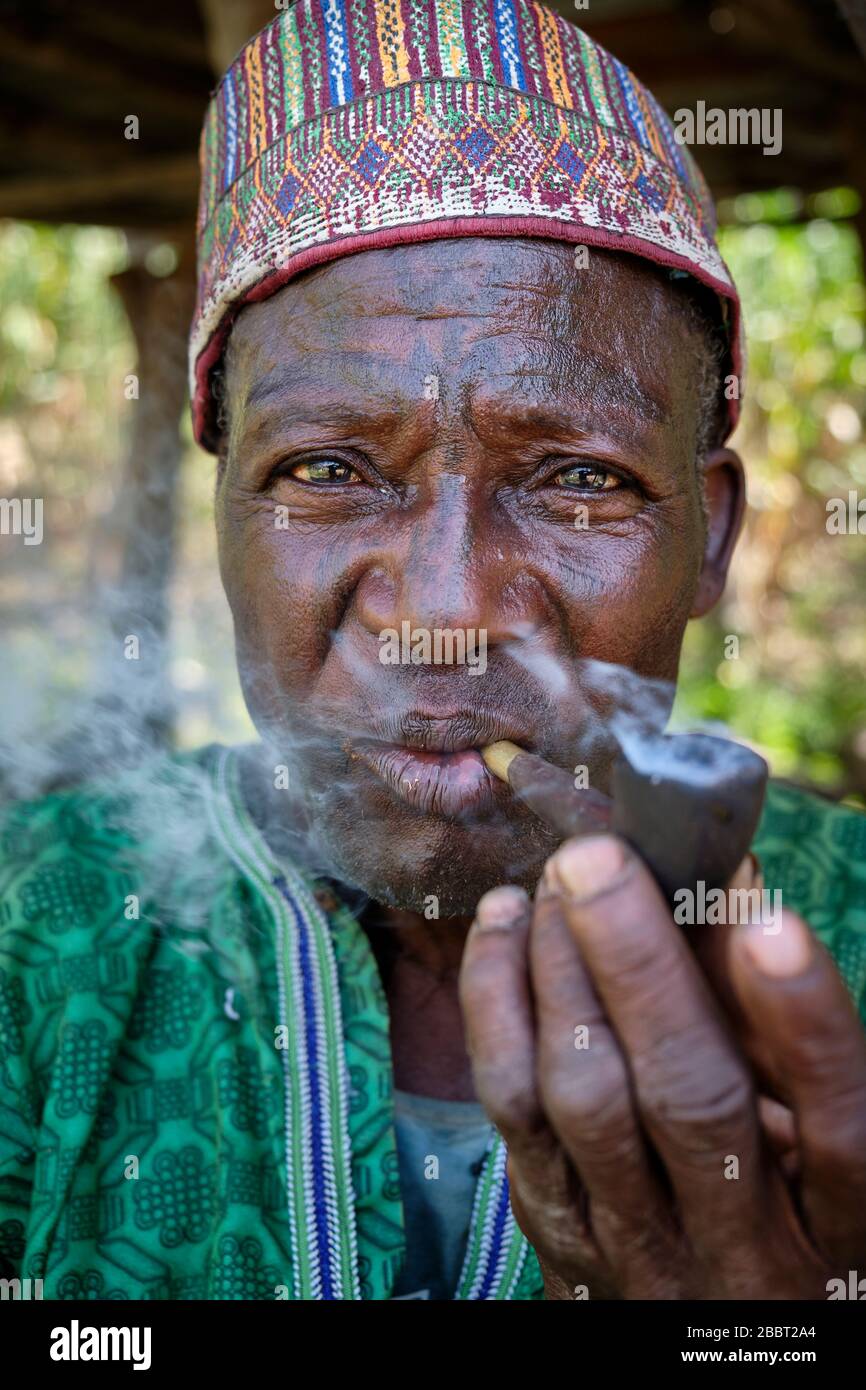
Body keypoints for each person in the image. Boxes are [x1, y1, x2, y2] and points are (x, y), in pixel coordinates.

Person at [1, 0, 864, 1302]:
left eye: (576, 476)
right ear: (226, 512)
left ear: (707, 540)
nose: (444, 609)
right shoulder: (32, 933)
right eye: (327, 470)